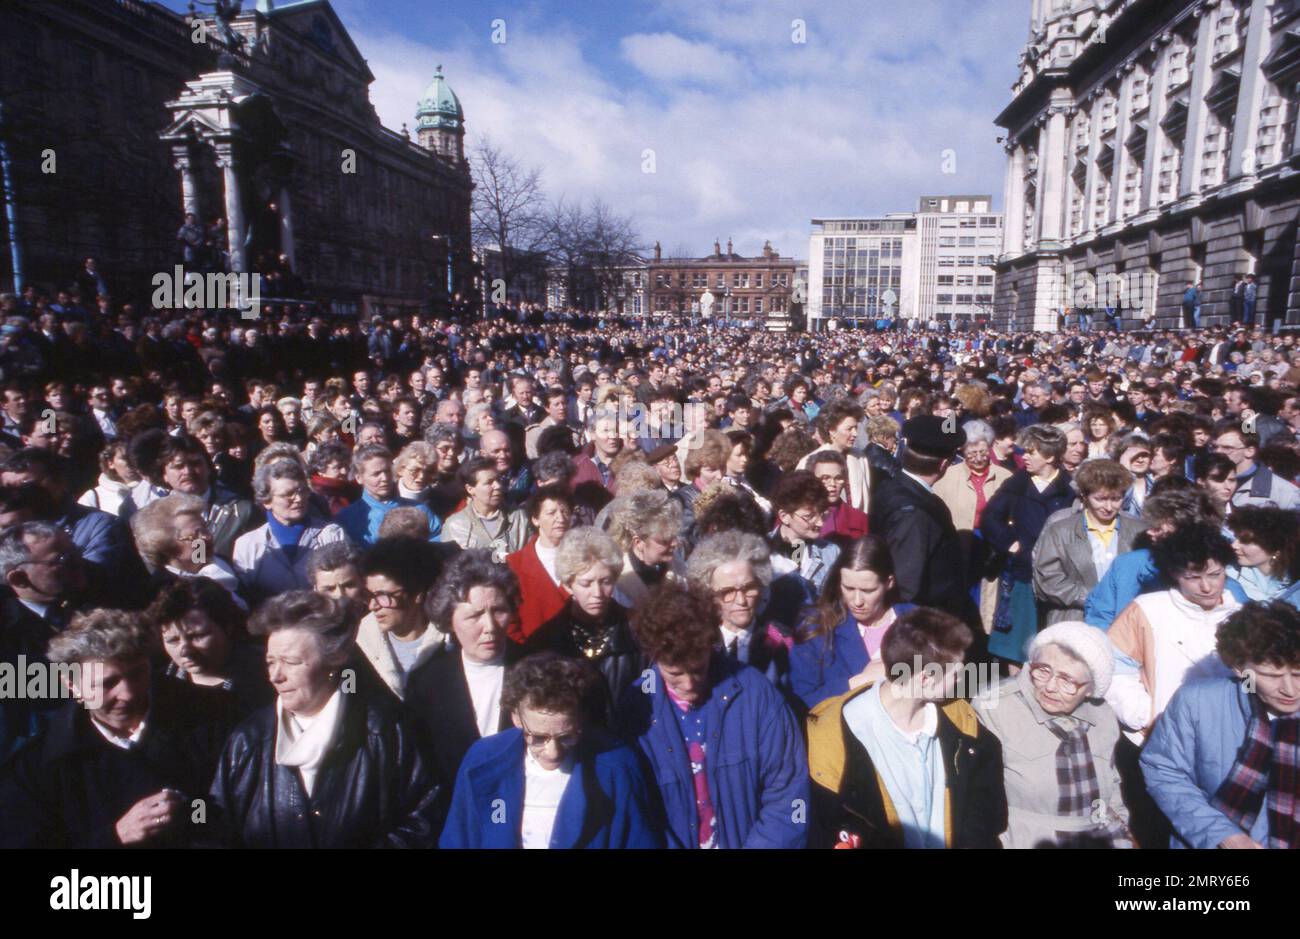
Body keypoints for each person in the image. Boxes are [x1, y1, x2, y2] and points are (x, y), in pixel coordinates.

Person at [208, 591, 441, 848]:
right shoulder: (248, 740)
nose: (276, 675)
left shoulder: (385, 731)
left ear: (333, 662)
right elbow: (218, 830)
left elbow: (424, 820)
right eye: (270, 662)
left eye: (291, 662)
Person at [0, 609, 237, 848]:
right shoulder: (38, 767)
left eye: (137, 674)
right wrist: (116, 837)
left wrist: (195, 815)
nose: (128, 694)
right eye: (108, 683)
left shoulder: (212, 720)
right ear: (72, 685)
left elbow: (237, 813)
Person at [616, 584, 809, 849]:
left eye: (697, 669)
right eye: (674, 675)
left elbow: (788, 793)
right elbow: (633, 810)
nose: (688, 684)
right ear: (653, 657)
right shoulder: (634, 707)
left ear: (710, 648)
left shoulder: (757, 694)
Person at [806, 607, 1006, 849]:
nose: (962, 678)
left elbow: (984, 819)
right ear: (924, 679)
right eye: (956, 672)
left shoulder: (965, 726)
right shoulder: (836, 736)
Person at [440, 653, 662, 849]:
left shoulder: (617, 766)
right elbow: (459, 839)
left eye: (567, 737)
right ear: (516, 718)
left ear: (581, 717)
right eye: (537, 738)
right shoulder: (483, 759)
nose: (553, 752)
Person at [1106, 523, 1241, 846]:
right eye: (1193, 577)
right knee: (1155, 830)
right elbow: (1114, 668)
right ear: (1175, 574)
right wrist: (1143, 714)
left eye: (1215, 574)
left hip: (1226, 749)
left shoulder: (1240, 614)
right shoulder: (1148, 610)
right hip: (1155, 743)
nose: (1207, 586)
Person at [1141, 601, 1300, 849]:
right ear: (1240, 668)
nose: (1290, 689)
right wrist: (1222, 835)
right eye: (1272, 676)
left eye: (1299, 673)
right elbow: (1165, 773)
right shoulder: (1196, 702)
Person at [973, 621, 1131, 848]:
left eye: (1067, 680)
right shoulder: (995, 708)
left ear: (1090, 689)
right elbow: (977, 802)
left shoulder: (1103, 715)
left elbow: (1112, 790)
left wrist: (1122, 837)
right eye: (1043, 671)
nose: (1049, 687)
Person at [406, 551, 524, 791]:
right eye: (474, 615)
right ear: (450, 620)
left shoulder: (535, 671)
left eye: (499, 611)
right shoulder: (427, 682)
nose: (490, 627)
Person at [520, 527, 644, 719]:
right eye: (586, 584)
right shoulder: (546, 641)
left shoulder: (639, 630)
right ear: (569, 585)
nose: (597, 593)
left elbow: (651, 692)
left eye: (606, 581)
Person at [870, 415, 979, 631]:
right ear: (944, 464)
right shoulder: (914, 514)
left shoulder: (894, 488)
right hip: (926, 627)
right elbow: (906, 587)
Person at [980, 424, 1075, 664]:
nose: (1024, 456)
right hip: (1022, 574)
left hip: (1057, 578)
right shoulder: (1017, 484)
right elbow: (990, 517)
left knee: (1051, 645)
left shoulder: (1070, 491)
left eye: (1032, 452)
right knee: (1017, 648)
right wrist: (1009, 542)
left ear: (1050, 457)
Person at [790, 535, 915, 711]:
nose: (857, 601)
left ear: (889, 583)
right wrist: (858, 682)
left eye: (868, 590)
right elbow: (800, 700)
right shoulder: (816, 627)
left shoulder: (917, 622)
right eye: (848, 588)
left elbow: (959, 682)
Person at [1032, 459, 1144, 625]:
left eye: (1116, 499)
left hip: (1127, 622)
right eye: (1100, 499)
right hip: (1074, 620)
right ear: (1084, 496)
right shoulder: (1060, 530)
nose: (1108, 507)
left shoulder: (1139, 530)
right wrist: (1095, 597)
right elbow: (1047, 580)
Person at [145, 577, 271, 716]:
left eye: (197, 637)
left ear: (228, 628)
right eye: (172, 640)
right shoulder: (157, 691)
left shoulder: (268, 678)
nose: (185, 651)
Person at [685, 530, 792, 694]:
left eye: (749, 588)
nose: (741, 601)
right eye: (727, 592)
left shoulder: (783, 642)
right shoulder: (694, 641)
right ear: (709, 593)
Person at [933, 419, 1013, 632]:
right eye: (972, 452)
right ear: (963, 451)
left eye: (983, 451)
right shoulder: (947, 477)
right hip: (960, 542)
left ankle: (986, 638)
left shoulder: (1006, 477)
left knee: (988, 595)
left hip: (992, 545)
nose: (978, 457)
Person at [232, 459, 348, 604]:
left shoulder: (330, 534)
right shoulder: (248, 544)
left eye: (302, 491)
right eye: (288, 494)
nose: (298, 499)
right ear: (266, 501)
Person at [355, 537, 447, 699]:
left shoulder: (450, 639)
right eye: (368, 595)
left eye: (382, 595)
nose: (372, 606)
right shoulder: (359, 641)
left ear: (417, 594)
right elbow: (348, 691)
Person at [129, 493, 245, 605]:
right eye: (196, 534)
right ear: (167, 546)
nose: (207, 537)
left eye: (206, 528)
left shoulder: (228, 565)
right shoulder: (163, 592)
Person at [335, 444, 442, 547]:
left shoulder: (419, 510)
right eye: (376, 474)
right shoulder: (347, 518)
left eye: (387, 471)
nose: (385, 478)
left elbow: (438, 540)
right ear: (359, 478)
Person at [505, 485, 573, 642]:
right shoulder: (514, 565)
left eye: (565, 512)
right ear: (535, 519)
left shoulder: (586, 560)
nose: (561, 519)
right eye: (551, 513)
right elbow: (509, 622)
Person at [608, 489, 685, 609]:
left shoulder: (678, 566)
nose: (675, 544)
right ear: (638, 542)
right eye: (665, 541)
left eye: (674, 537)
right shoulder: (620, 581)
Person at [440, 457, 529, 556]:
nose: (498, 486)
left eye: (498, 480)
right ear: (470, 489)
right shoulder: (455, 526)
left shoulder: (520, 518)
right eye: (489, 482)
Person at [795, 398, 870, 512]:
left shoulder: (860, 458)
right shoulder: (809, 462)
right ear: (831, 430)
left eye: (856, 428)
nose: (855, 434)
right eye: (849, 429)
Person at [1226, 506, 1299, 602]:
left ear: (1274, 549)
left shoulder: (1294, 581)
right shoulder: (1228, 577)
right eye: (1236, 538)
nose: (1234, 545)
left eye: (1246, 541)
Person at [808, 450, 869, 544]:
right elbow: (795, 556)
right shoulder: (797, 516)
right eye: (825, 478)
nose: (832, 484)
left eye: (838, 478)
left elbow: (863, 554)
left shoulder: (858, 519)